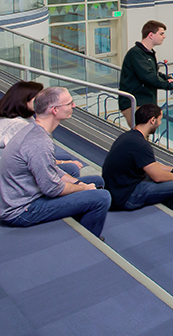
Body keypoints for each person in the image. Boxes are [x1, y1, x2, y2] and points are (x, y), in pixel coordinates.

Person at [0, 87, 110, 237]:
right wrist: (83, 189)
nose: (74, 106)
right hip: (21, 210)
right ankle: (87, 241)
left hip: (25, 195)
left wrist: (80, 184)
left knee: (96, 180)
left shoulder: (34, 129)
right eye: (69, 103)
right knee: (102, 197)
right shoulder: (39, 142)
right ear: (55, 110)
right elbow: (52, 189)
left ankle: (81, 227)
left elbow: (52, 169)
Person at [102, 104, 173, 218]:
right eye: (160, 120)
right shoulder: (141, 145)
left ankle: (169, 215)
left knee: (168, 178)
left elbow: (151, 165)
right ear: (152, 120)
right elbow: (157, 176)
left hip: (116, 191)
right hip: (126, 197)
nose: (160, 123)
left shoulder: (129, 136)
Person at [0, 81, 82, 176]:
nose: (43, 100)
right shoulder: (17, 126)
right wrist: (63, 163)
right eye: (38, 98)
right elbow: (29, 159)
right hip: (11, 173)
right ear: (25, 100)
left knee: (66, 157)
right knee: (72, 168)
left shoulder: (25, 117)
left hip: (20, 164)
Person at [119, 19, 173, 128]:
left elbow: (154, 73)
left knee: (147, 134)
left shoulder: (148, 53)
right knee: (140, 136)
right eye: (161, 33)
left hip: (144, 102)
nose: (164, 36)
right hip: (135, 103)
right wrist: (170, 85)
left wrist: (168, 78)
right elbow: (148, 77)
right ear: (151, 35)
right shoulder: (136, 53)